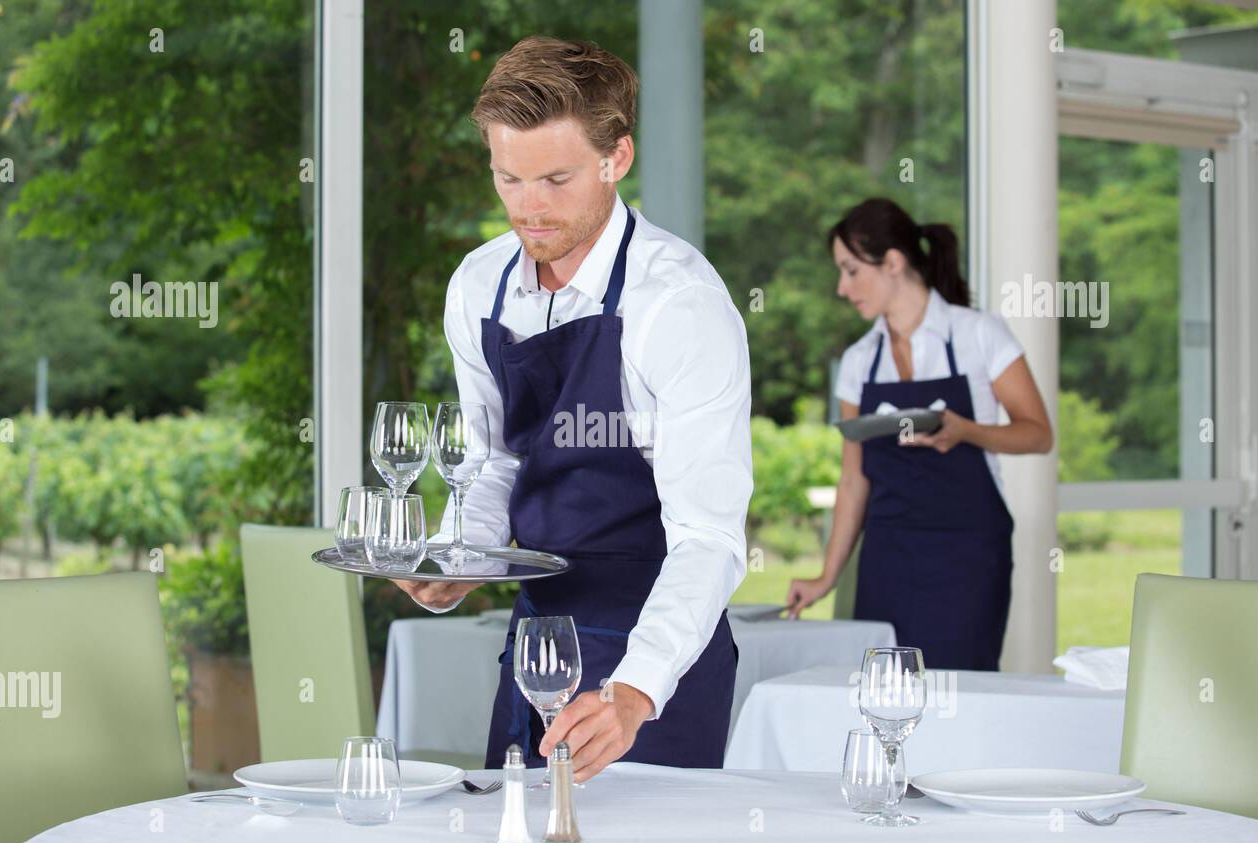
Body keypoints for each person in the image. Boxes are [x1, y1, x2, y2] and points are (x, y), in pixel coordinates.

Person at [391, 37, 753, 782]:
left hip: (656, 663)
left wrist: (634, 688)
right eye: (509, 179)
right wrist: (466, 556)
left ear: (616, 157)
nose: (530, 207)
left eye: (556, 179)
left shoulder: (678, 305)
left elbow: (710, 537)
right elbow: (494, 460)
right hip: (537, 644)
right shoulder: (478, 285)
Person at [786, 198, 1052, 670]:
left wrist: (967, 431)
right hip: (888, 560)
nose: (842, 289)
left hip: (968, 559)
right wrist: (827, 576)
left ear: (892, 262)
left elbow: (1037, 434)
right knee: (885, 698)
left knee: (960, 698)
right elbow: (854, 481)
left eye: (850, 271)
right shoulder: (859, 361)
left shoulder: (978, 335)